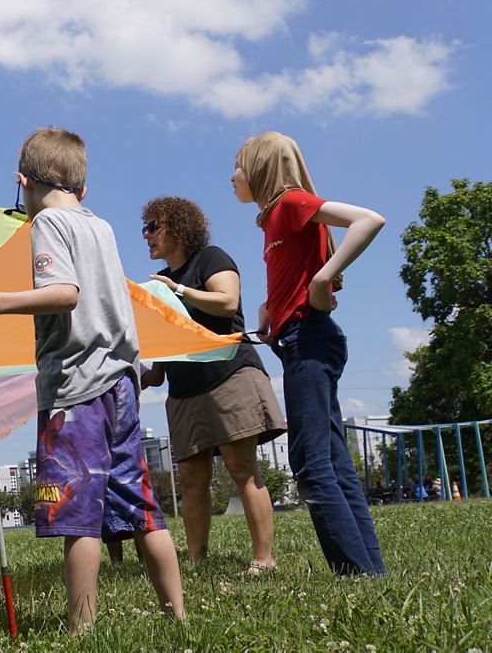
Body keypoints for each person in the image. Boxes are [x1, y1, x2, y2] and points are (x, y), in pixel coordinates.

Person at [0, 127, 184, 634]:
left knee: (78, 516)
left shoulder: (49, 222)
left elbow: (64, 293)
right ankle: (179, 618)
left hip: (77, 389)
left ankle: (81, 630)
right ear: (83, 186)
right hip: (122, 384)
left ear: (24, 182)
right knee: (142, 508)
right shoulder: (100, 226)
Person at [233, 131, 387, 576]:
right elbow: (292, 275)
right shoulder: (272, 221)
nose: (232, 176)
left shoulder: (290, 202)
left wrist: (323, 279)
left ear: (260, 167)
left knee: (309, 462)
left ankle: (355, 573)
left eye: (237, 166)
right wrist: (270, 309)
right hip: (298, 338)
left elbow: (369, 220)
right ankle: (370, 573)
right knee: (334, 461)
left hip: (310, 338)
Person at [139, 196, 285, 573]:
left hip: (228, 375)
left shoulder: (210, 258)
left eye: (153, 226)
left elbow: (226, 301)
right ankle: (196, 560)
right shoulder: (162, 283)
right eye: (145, 228)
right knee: (191, 477)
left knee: (241, 467)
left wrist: (178, 291)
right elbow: (166, 346)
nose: (146, 235)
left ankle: (263, 559)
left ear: (178, 227)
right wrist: (142, 374)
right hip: (184, 389)